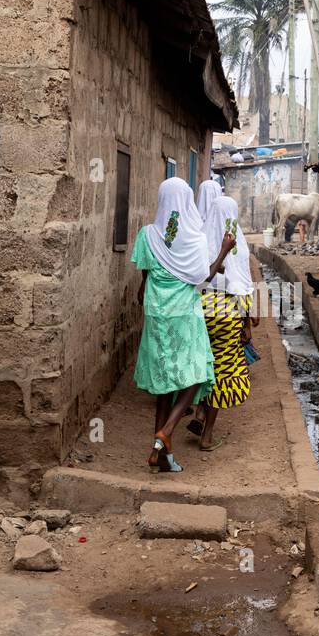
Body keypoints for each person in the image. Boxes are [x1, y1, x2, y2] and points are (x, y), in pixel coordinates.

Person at [132, 178, 234, 472]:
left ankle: (159, 452)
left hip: (156, 314)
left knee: (165, 383)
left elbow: (145, 276)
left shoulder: (147, 234)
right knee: (199, 373)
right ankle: (167, 431)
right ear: (187, 201)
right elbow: (204, 279)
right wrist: (224, 251)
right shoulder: (196, 238)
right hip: (185, 315)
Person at [188, 195, 257, 451]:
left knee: (204, 366)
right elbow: (246, 284)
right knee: (224, 372)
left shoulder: (199, 240)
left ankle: (197, 412)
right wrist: (248, 321)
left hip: (201, 312)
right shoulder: (239, 242)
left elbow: (198, 281)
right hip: (229, 314)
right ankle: (207, 435)